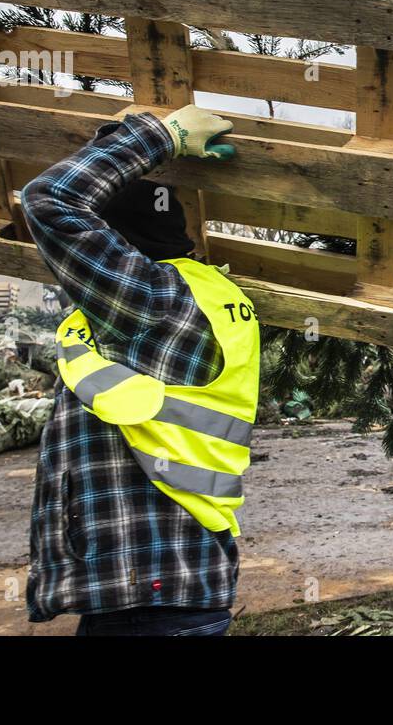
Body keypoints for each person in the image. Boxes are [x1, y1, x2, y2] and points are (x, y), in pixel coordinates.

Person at [21, 104, 258, 637]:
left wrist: (160, 136)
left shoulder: (147, 299)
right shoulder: (197, 296)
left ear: (115, 249)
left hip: (149, 596)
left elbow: (49, 198)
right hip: (165, 588)